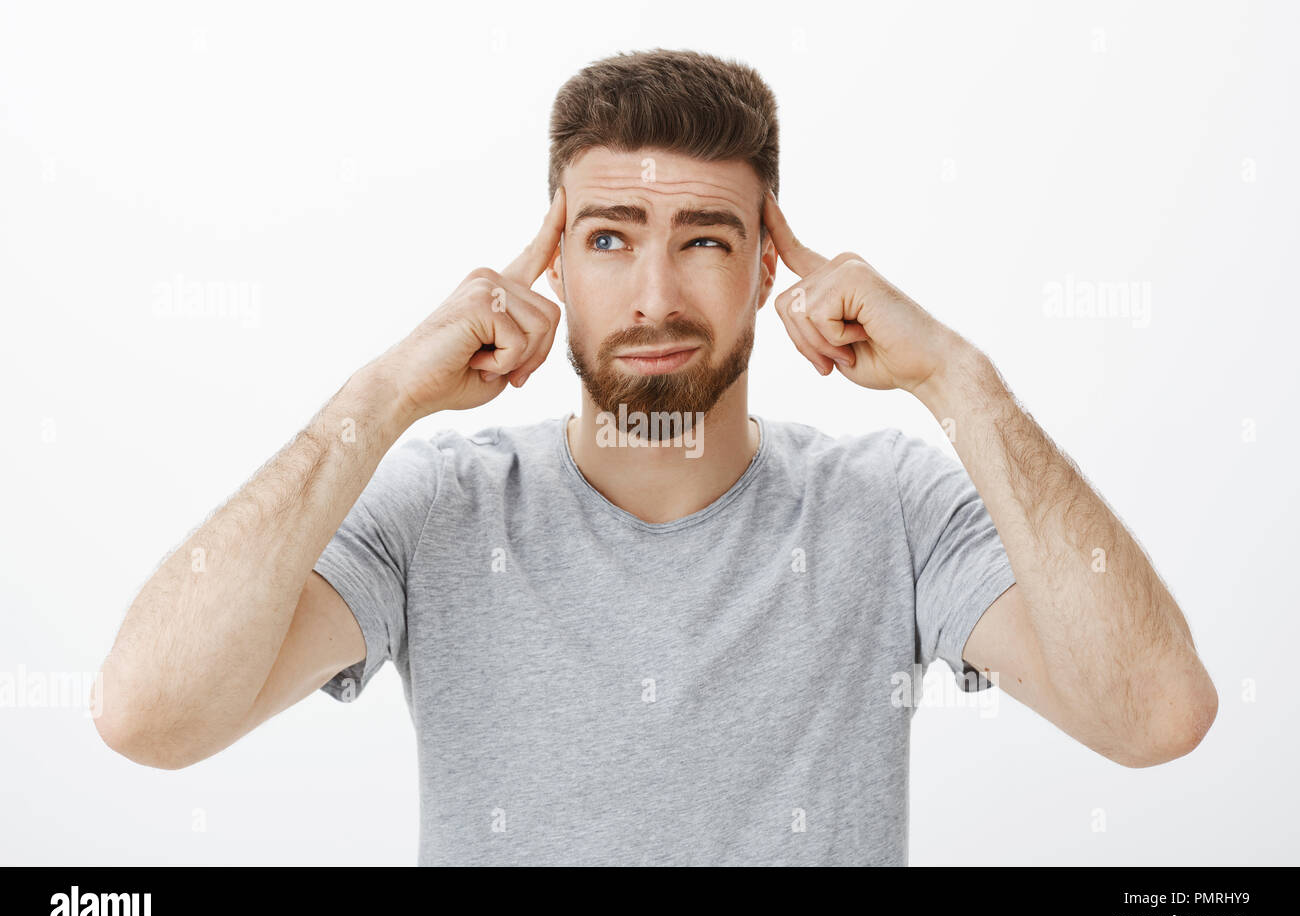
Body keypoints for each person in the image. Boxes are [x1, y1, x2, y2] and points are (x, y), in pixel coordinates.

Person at [93, 48, 1217, 866]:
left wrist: (961, 381)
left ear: (767, 266)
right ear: (554, 264)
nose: (653, 295)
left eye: (705, 241)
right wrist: (381, 396)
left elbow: (1157, 716)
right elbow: (147, 715)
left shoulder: (891, 507)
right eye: (609, 238)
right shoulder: (444, 507)